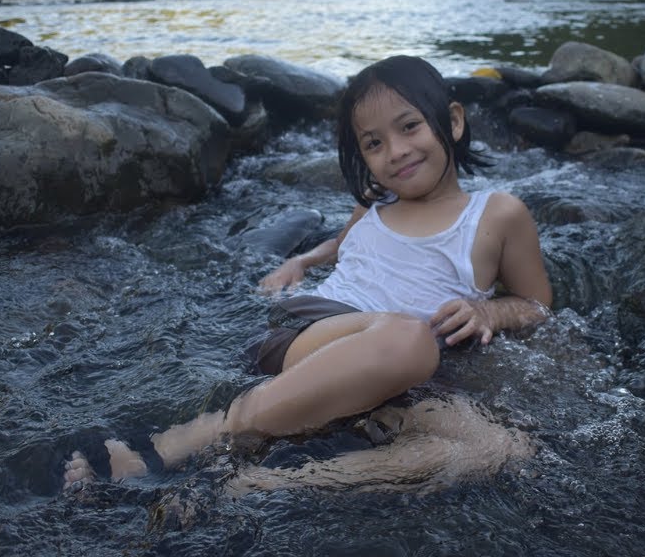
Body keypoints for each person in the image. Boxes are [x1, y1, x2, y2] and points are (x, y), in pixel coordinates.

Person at [63, 55, 553, 492]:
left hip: (402, 375)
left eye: (410, 127)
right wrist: (300, 262)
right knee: (409, 337)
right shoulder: (375, 208)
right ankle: (178, 443)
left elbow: (536, 304)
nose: (397, 151)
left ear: (453, 121)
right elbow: (340, 247)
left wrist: (488, 309)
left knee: (501, 447)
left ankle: (263, 482)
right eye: (374, 143)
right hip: (317, 330)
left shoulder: (498, 214)